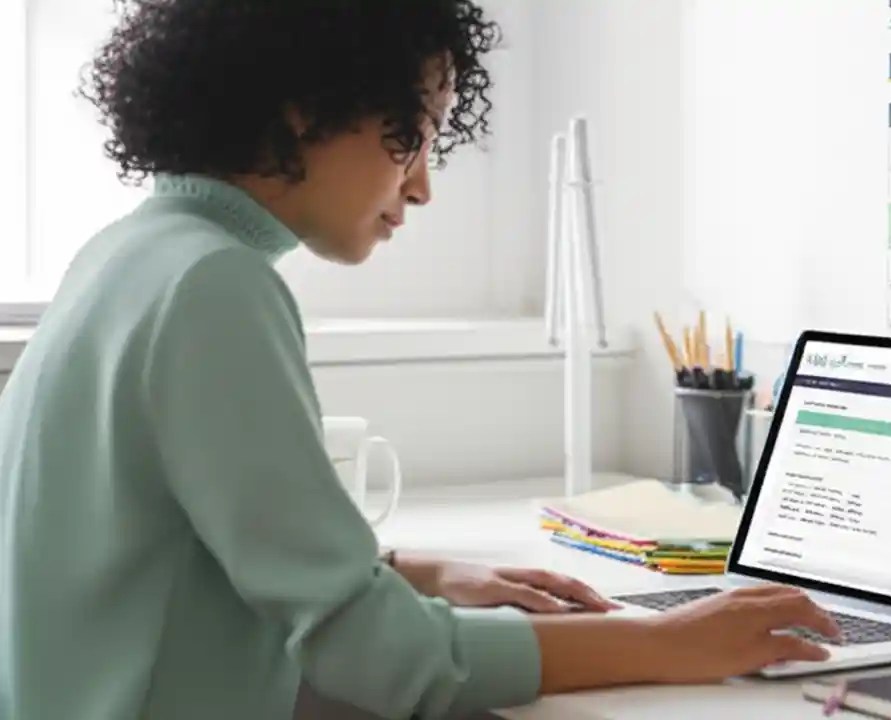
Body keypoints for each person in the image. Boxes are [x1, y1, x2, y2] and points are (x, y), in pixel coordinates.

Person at [0, 2, 840, 718]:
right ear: (305, 108)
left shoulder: (127, 256)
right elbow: (367, 653)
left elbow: (185, 551)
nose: (421, 186)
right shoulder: (213, 285)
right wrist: (664, 640)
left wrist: (417, 572)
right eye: (413, 138)